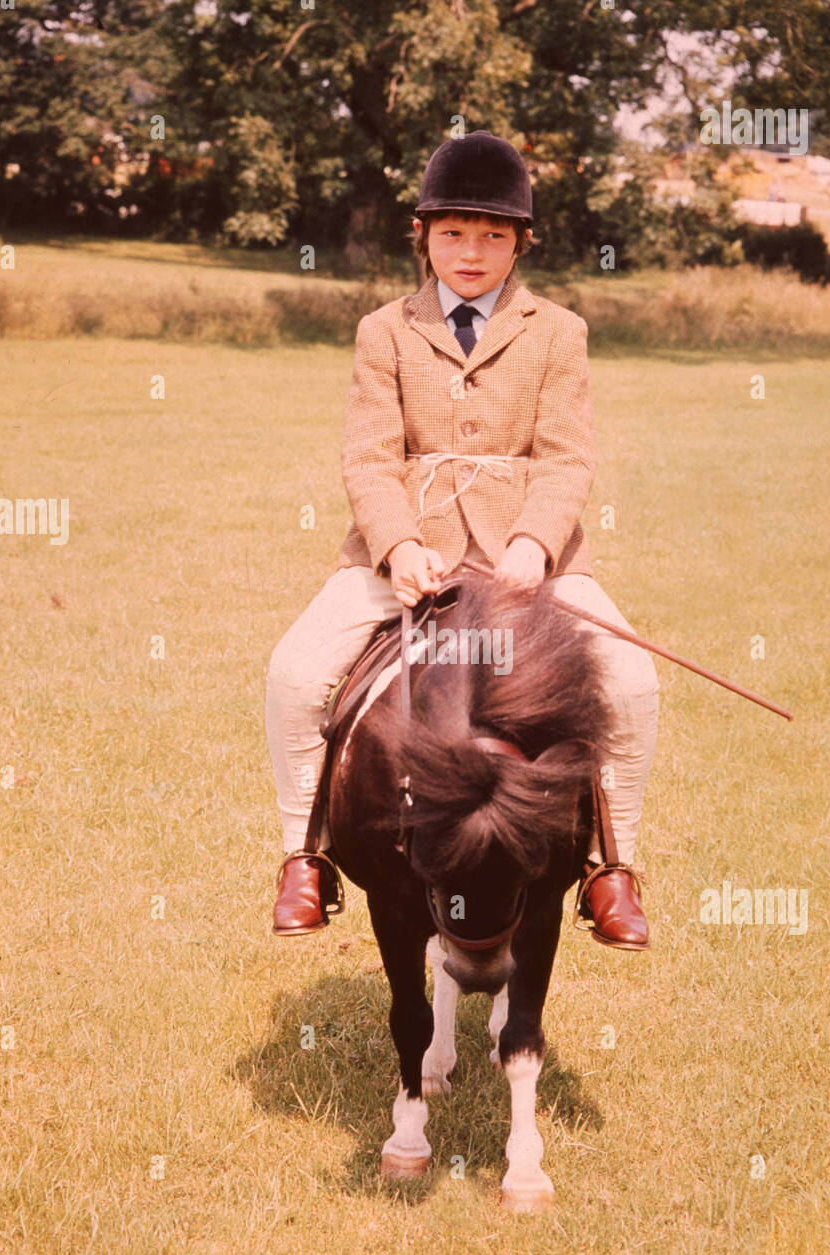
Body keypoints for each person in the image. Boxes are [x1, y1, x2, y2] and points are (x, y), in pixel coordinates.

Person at [265, 131, 659, 949]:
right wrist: (400, 546)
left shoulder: (558, 332)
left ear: (521, 241)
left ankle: (610, 866)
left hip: (529, 561)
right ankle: (306, 857)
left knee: (631, 680)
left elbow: (566, 457)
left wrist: (532, 548)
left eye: (491, 235)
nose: (471, 252)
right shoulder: (386, 329)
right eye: (452, 233)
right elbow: (369, 457)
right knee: (296, 673)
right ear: (423, 236)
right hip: (407, 557)